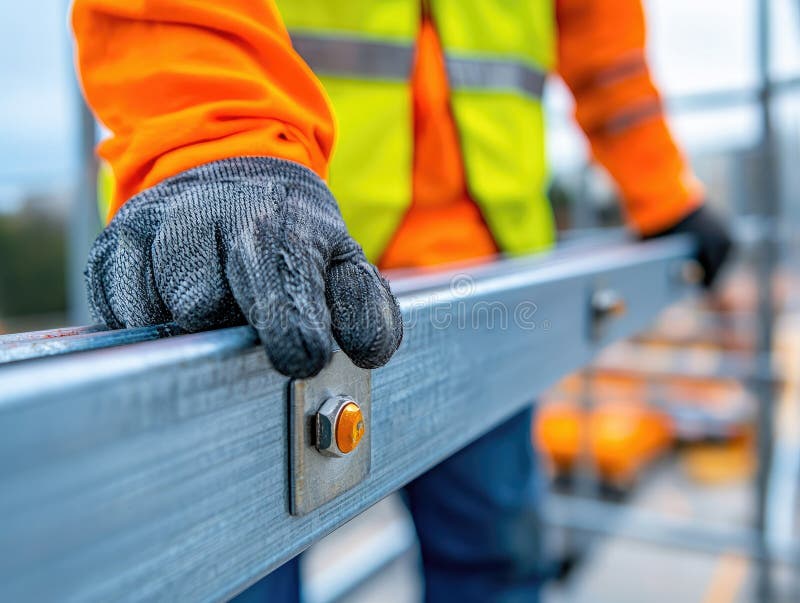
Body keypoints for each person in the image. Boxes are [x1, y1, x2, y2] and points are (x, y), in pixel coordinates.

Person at [71, 1, 732, 601]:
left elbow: (598, 27)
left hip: (480, 277)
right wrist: (216, 140)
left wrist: (662, 189)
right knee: (238, 580)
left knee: (496, 562)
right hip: (273, 259)